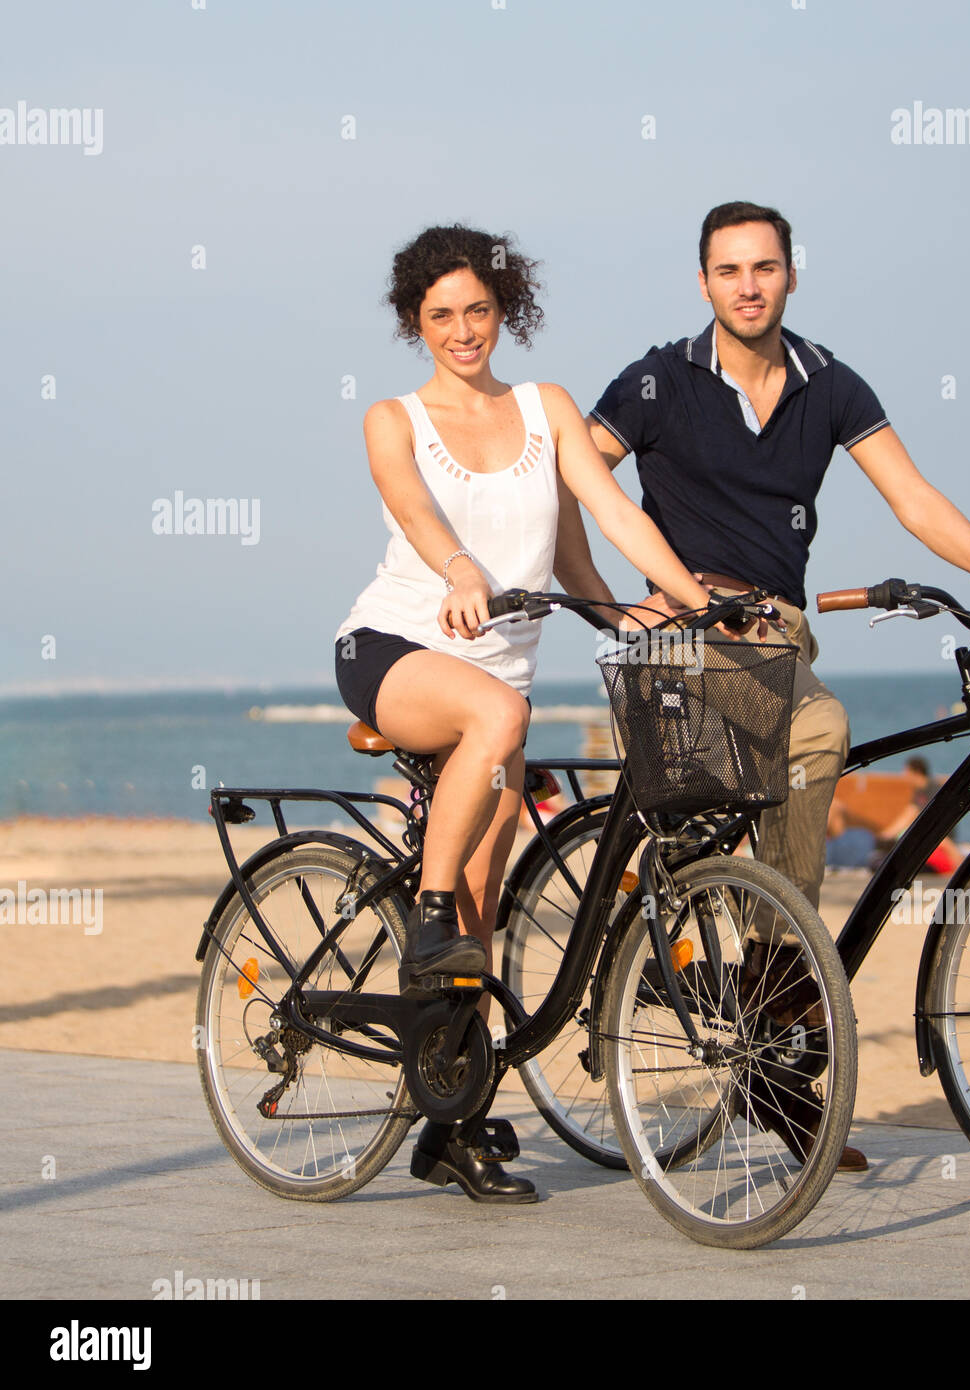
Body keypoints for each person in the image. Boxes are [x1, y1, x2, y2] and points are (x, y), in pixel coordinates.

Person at [559, 200, 970, 1171]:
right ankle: (781, 992)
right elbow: (574, 480)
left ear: (790, 275)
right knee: (822, 733)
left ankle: (770, 1008)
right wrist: (619, 605)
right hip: (691, 641)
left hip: (780, 638)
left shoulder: (828, 383)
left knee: (808, 743)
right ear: (703, 282)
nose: (748, 284)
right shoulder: (657, 380)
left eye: (765, 267)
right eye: (729, 269)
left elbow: (909, 496)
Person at [334, 224, 714, 1204]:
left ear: (505, 310)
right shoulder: (392, 418)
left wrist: (681, 597)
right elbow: (416, 511)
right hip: (393, 653)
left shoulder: (547, 411)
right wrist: (459, 566)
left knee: (484, 915)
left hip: (494, 699)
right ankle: (422, 916)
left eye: (477, 310)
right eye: (440, 315)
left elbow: (603, 534)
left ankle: (450, 1122)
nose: (462, 330)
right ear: (416, 322)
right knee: (486, 755)